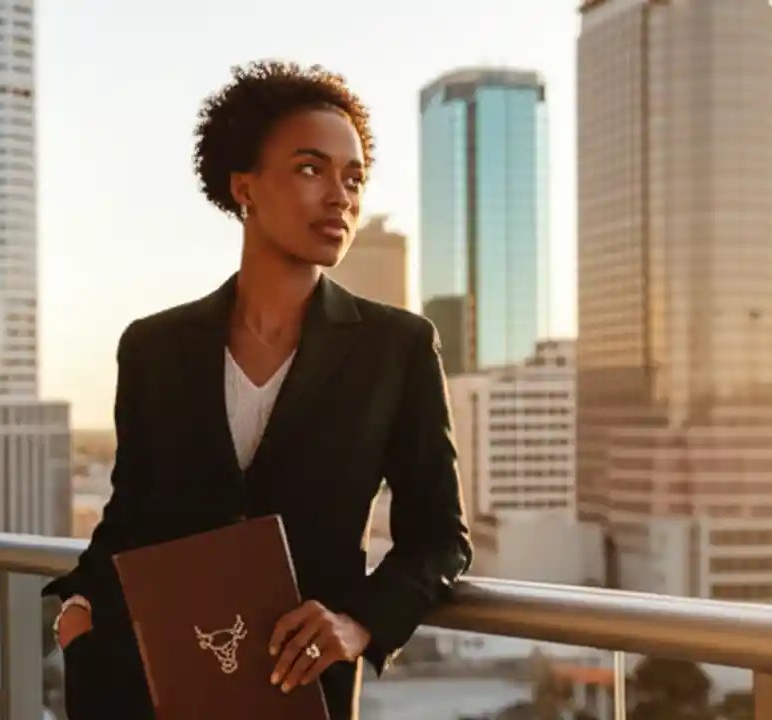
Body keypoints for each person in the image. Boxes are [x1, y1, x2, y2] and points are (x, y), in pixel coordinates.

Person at [44, 59, 472, 720]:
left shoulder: (397, 347)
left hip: (297, 689)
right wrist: (78, 611)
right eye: (310, 169)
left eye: (352, 177)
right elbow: (130, 514)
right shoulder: (154, 347)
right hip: (142, 679)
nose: (340, 196)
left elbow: (440, 536)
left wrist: (358, 623)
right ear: (244, 186)